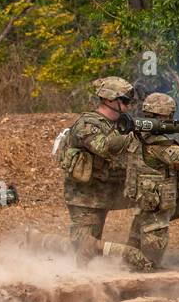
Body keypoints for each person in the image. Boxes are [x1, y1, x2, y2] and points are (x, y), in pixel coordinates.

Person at [58, 76, 147, 268]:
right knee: (84, 250)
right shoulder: (87, 124)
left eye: (129, 101)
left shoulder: (124, 122)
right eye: (124, 100)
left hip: (114, 189)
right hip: (86, 196)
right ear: (108, 100)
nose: (128, 105)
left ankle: (134, 256)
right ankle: (40, 242)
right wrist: (130, 133)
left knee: (151, 200)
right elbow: (103, 147)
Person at [125, 92, 179, 269]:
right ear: (167, 115)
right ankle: (99, 247)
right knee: (147, 264)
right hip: (156, 209)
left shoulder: (135, 135)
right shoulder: (158, 143)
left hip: (161, 201)